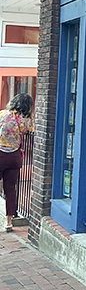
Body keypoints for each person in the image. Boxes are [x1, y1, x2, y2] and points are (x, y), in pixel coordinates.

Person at [0, 93, 33, 231]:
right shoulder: (26, 121)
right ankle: (9, 221)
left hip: (0, 153)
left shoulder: (2, 114)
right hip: (14, 157)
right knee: (10, 189)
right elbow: (27, 132)